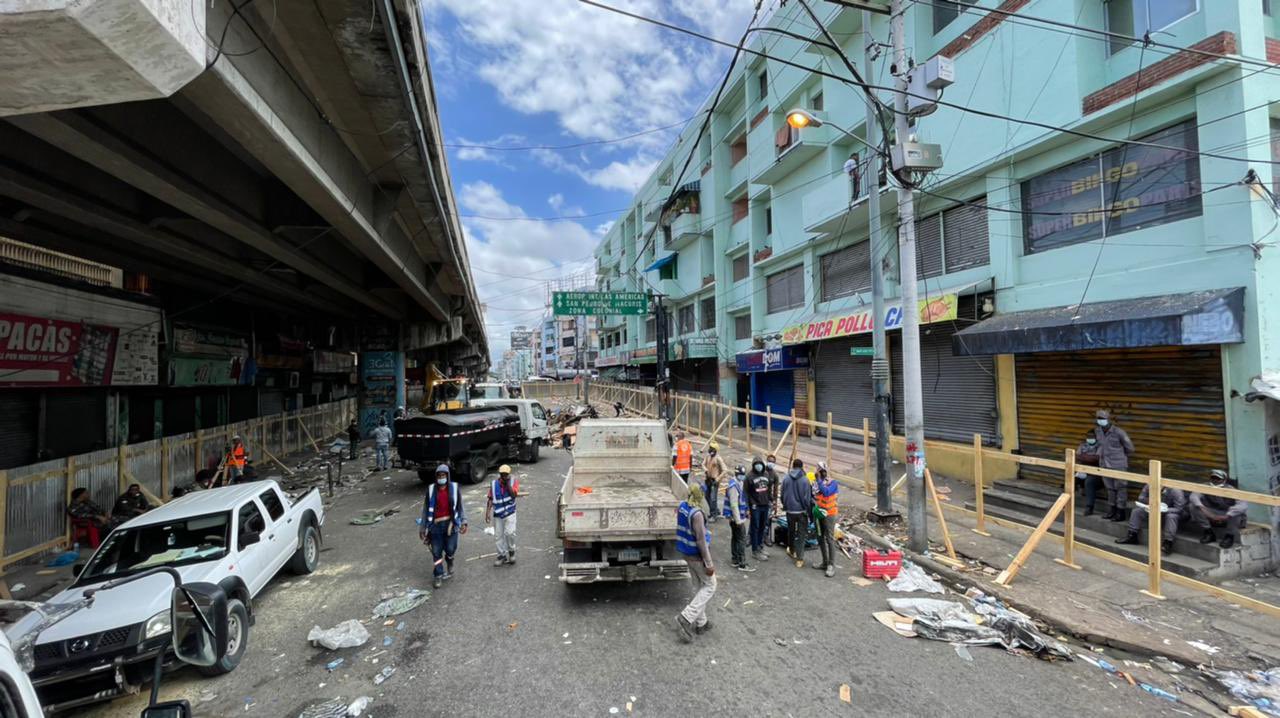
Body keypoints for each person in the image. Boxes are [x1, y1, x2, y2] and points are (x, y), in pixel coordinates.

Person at [673, 484, 715, 642]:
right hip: (697, 556)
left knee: (699, 587)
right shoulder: (696, 513)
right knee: (710, 586)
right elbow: (701, 541)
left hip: (686, 552)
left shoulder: (683, 506)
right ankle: (685, 617)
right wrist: (708, 563)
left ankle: (701, 623)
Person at [419, 464, 468, 589]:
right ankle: (438, 575)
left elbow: (460, 507)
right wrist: (422, 528)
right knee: (436, 552)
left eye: (443, 475)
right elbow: (425, 509)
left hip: (451, 525)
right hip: (435, 526)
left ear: (447, 476)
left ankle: (450, 559)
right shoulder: (431, 490)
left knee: (451, 548)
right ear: (436, 477)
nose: (441, 477)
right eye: (439, 475)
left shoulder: (454, 488)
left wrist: (464, 521)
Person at [1117, 483, 1186, 554]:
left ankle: (1168, 542)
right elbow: (1141, 498)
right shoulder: (1149, 485)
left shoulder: (1175, 490)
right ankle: (1132, 536)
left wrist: (1164, 509)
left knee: (1171, 516)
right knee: (1136, 511)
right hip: (1153, 508)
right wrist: (1151, 501)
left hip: (1171, 511)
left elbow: (1179, 508)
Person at [1189, 469, 1248, 549]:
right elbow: (1194, 496)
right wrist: (1205, 511)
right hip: (1212, 514)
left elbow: (1242, 504)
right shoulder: (1205, 486)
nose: (1215, 480)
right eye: (1213, 478)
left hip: (1227, 515)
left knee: (1238, 512)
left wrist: (1227, 515)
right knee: (1193, 506)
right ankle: (1209, 532)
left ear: (1224, 480)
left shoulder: (1230, 489)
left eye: (1218, 479)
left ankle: (1229, 536)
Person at [1093, 410, 1135, 522]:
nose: (1100, 420)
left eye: (1102, 418)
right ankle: (1112, 510)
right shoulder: (1098, 431)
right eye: (1098, 418)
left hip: (1118, 465)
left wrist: (1118, 456)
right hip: (1104, 464)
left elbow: (1130, 448)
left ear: (1108, 419)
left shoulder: (1119, 432)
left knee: (1120, 488)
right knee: (1110, 489)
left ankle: (1120, 512)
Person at [780, 458, 814, 568]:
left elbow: (782, 494)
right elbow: (807, 499)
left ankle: (791, 550)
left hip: (790, 511)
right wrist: (808, 511)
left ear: (793, 466)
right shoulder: (805, 480)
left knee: (791, 531)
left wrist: (786, 505)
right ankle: (799, 559)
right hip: (801, 512)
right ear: (802, 467)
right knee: (801, 534)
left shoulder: (786, 478)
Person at [485, 465, 520, 566]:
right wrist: (487, 513)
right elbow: (490, 498)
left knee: (510, 533)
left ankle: (511, 552)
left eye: (506, 474)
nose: (504, 476)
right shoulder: (494, 484)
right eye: (502, 475)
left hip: (510, 512)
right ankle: (501, 556)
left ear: (509, 474)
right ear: (500, 474)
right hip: (498, 514)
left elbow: (513, 495)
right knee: (498, 536)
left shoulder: (513, 482)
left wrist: (507, 484)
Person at [723, 466, 754, 572]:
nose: (743, 477)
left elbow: (741, 501)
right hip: (736, 519)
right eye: (741, 475)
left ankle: (735, 560)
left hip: (737, 518)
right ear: (737, 475)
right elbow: (734, 505)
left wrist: (746, 512)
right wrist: (738, 521)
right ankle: (742, 563)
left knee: (736, 538)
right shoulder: (733, 487)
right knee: (741, 539)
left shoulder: (738, 484)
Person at [813, 462, 839, 577]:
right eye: (819, 471)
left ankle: (831, 565)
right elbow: (813, 494)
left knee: (829, 539)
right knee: (820, 537)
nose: (821, 473)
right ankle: (824, 561)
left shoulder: (833, 483)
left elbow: (827, 492)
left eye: (822, 470)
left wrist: (819, 481)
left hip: (829, 514)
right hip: (819, 513)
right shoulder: (816, 483)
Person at [745, 456, 772, 562]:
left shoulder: (766, 474)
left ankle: (760, 547)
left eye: (760, 464)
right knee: (755, 528)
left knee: (762, 526)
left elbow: (769, 488)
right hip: (755, 506)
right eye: (756, 464)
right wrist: (747, 507)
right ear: (753, 465)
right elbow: (746, 493)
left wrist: (771, 500)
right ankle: (755, 550)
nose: (759, 466)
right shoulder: (749, 476)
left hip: (765, 505)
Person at [1075, 434, 1102, 516]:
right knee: (1070, 478)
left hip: (1097, 473)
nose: (1090, 439)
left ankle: (1089, 507)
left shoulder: (1100, 447)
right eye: (1088, 437)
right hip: (1082, 471)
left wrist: (1084, 457)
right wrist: (1090, 458)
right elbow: (1076, 456)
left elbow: (1096, 459)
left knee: (1089, 482)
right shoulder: (1083, 445)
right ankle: (1064, 503)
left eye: (1092, 437)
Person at [702, 442, 727, 522]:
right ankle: (715, 511)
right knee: (707, 496)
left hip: (714, 481)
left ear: (715, 450)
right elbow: (703, 464)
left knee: (713, 498)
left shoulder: (718, 458)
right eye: (710, 448)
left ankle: (713, 515)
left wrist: (718, 479)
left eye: (712, 449)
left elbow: (725, 470)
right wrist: (705, 470)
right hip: (708, 480)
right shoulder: (708, 456)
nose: (710, 450)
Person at [764, 453, 781, 546]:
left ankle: (765, 537)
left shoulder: (775, 475)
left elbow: (775, 490)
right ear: (767, 461)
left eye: (773, 462)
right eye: (769, 461)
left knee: (767, 520)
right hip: (759, 499)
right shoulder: (762, 471)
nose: (771, 463)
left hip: (768, 499)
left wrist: (775, 502)